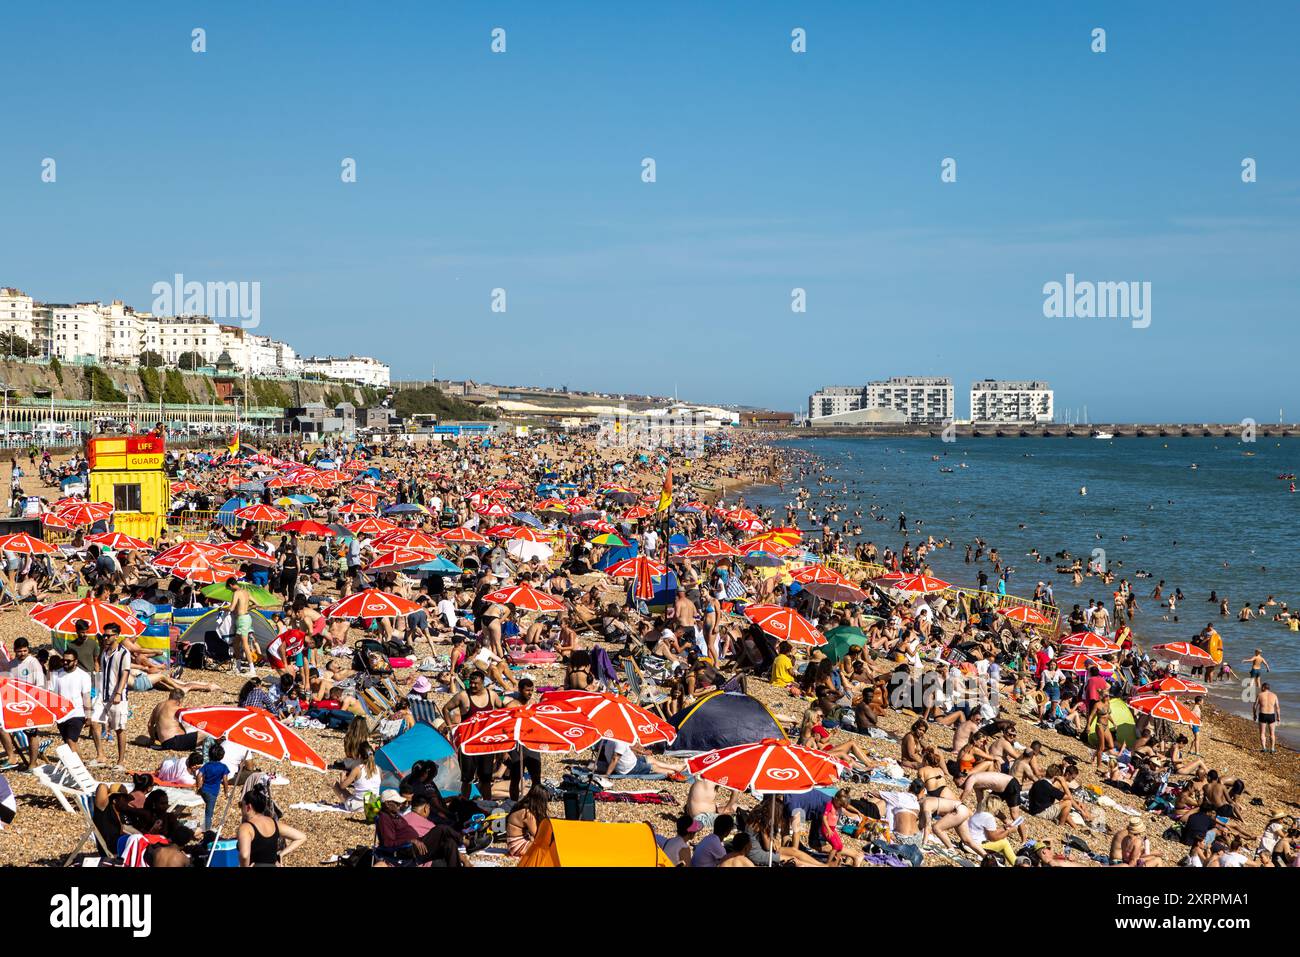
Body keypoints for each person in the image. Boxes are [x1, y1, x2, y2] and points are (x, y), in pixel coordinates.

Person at [93, 624, 132, 769]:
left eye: (108, 635)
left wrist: (118, 693)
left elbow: (125, 674)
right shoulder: (104, 651)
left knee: (119, 728)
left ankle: (121, 761)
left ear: (116, 636)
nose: (106, 637)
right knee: (94, 721)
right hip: (102, 694)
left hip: (117, 696)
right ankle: (100, 755)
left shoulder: (123, 653)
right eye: (104, 635)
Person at [237, 788, 304, 866]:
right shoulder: (274, 823)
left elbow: (245, 855)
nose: (240, 808)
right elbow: (301, 837)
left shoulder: (246, 828)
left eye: (241, 805)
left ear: (248, 807)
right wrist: (280, 855)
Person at [194, 743, 232, 833]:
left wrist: (199, 787)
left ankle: (200, 825)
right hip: (213, 793)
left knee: (203, 807)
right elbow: (225, 781)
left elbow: (199, 775)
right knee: (209, 813)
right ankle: (207, 831)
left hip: (204, 790)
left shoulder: (207, 765)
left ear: (209, 754)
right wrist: (226, 792)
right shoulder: (223, 767)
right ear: (222, 756)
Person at [505, 786, 548, 858]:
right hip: (517, 846)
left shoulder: (521, 807)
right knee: (546, 848)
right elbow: (537, 835)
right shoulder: (528, 814)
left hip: (512, 844)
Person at [226, 577, 256, 676]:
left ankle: (252, 670)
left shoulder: (236, 593)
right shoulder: (245, 592)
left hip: (242, 619)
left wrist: (222, 609)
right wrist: (247, 608)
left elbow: (231, 608)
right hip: (246, 618)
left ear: (230, 585)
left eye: (229, 589)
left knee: (245, 644)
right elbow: (256, 604)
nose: (230, 591)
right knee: (236, 643)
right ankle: (238, 667)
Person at [1255, 683, 1280, 753]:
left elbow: (1255, 706)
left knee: (1262, 733)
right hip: (1271, 715)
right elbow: (1277, 707)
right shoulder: (1274, 695)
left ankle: (1264, 748)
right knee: (1272, 733)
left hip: (1262, 715)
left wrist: (1254, 715)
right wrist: (1278, 717)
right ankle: (1272, 749)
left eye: (1261, 687)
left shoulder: (1260, 695)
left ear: (1263, 687)